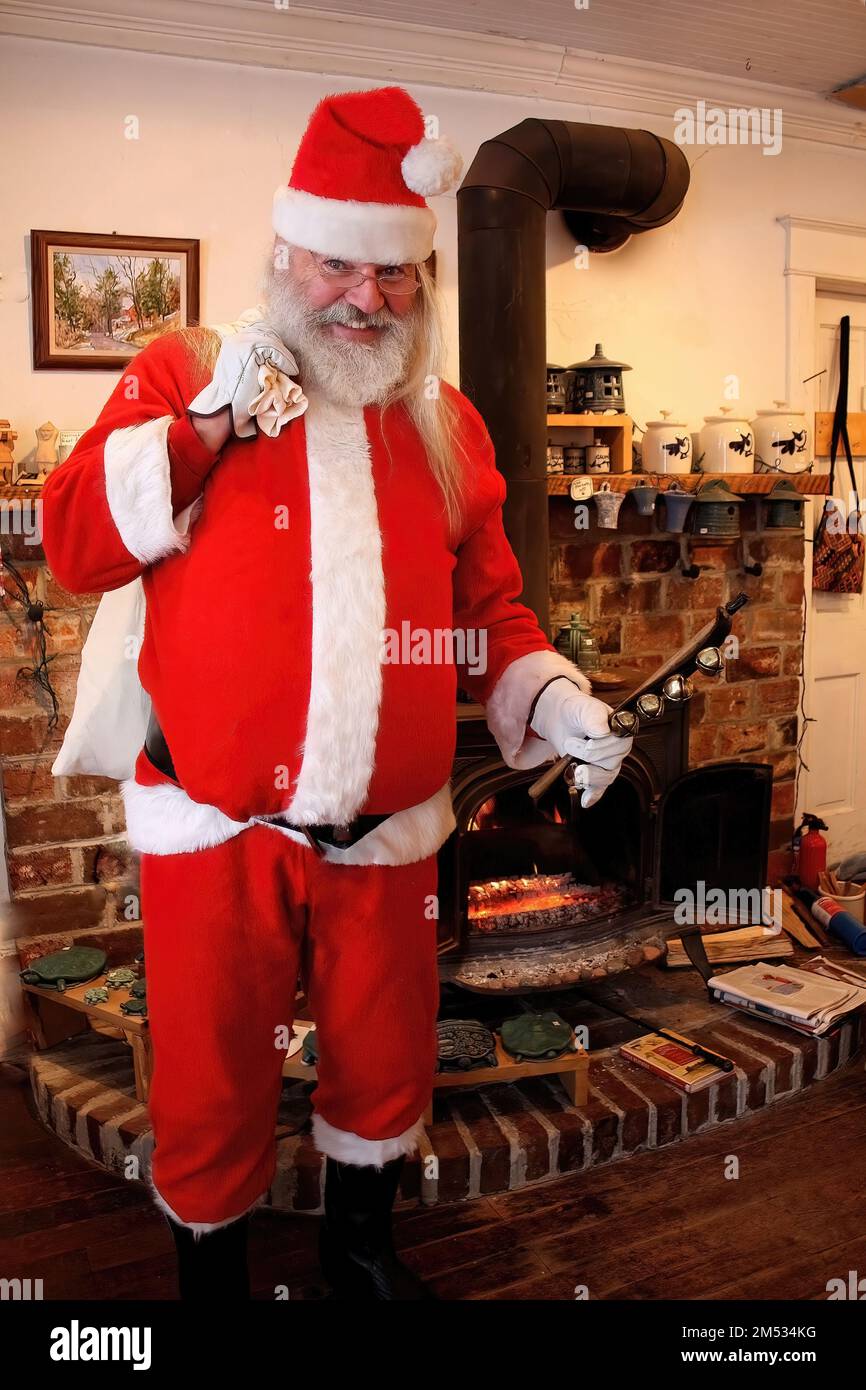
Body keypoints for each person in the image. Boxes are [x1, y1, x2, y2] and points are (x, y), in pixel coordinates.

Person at [41, 85, 631, 1301]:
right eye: (336, 265)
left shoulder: (445, 424)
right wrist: (204, 427)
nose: (366, 297)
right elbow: (76, 542)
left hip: (391, 834)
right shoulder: (180, 373)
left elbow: (486, 612)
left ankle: (361, 1252)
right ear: (284, 253)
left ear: (422, 281)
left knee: (382, 1064)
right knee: (211, 1075)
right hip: (214, 825)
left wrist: (554, 692)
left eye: (395, 275)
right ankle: (213, 1278)